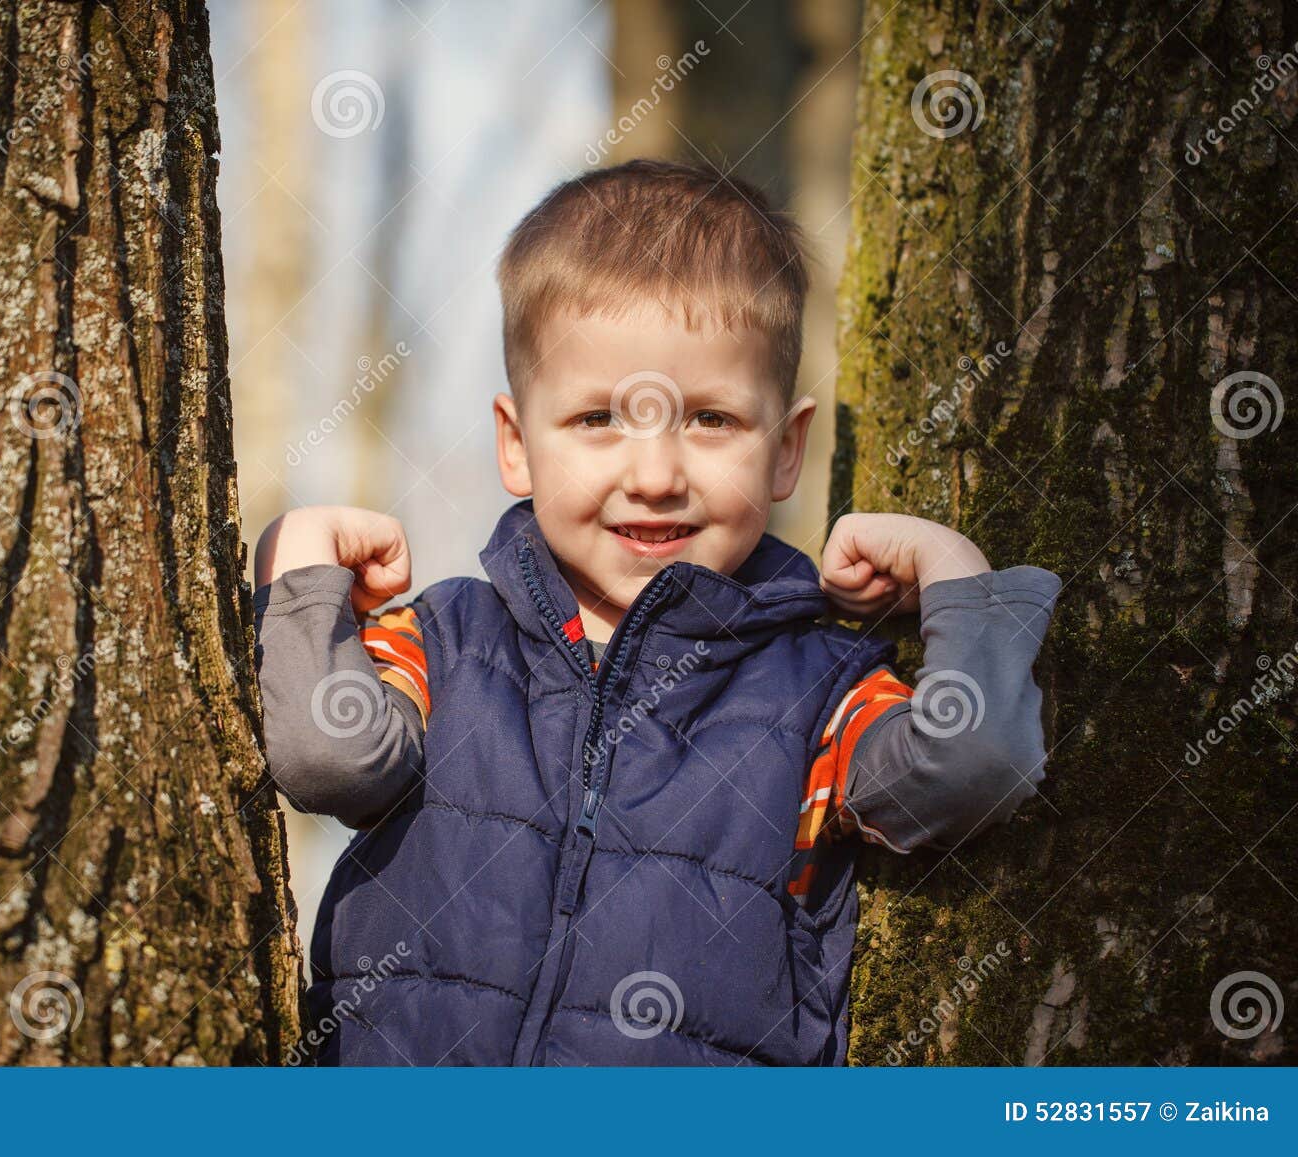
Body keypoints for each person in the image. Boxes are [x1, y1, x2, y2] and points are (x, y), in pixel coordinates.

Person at [253, 159, 1061, 1065]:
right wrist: (300, 570)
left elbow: (974, 765)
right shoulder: (444, 644)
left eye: (711, 420)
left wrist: (954, 572)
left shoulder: (814, 690)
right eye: (599, 418)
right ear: (517, 445)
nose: (655, 476)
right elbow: (330, 760)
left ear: (785, 450)